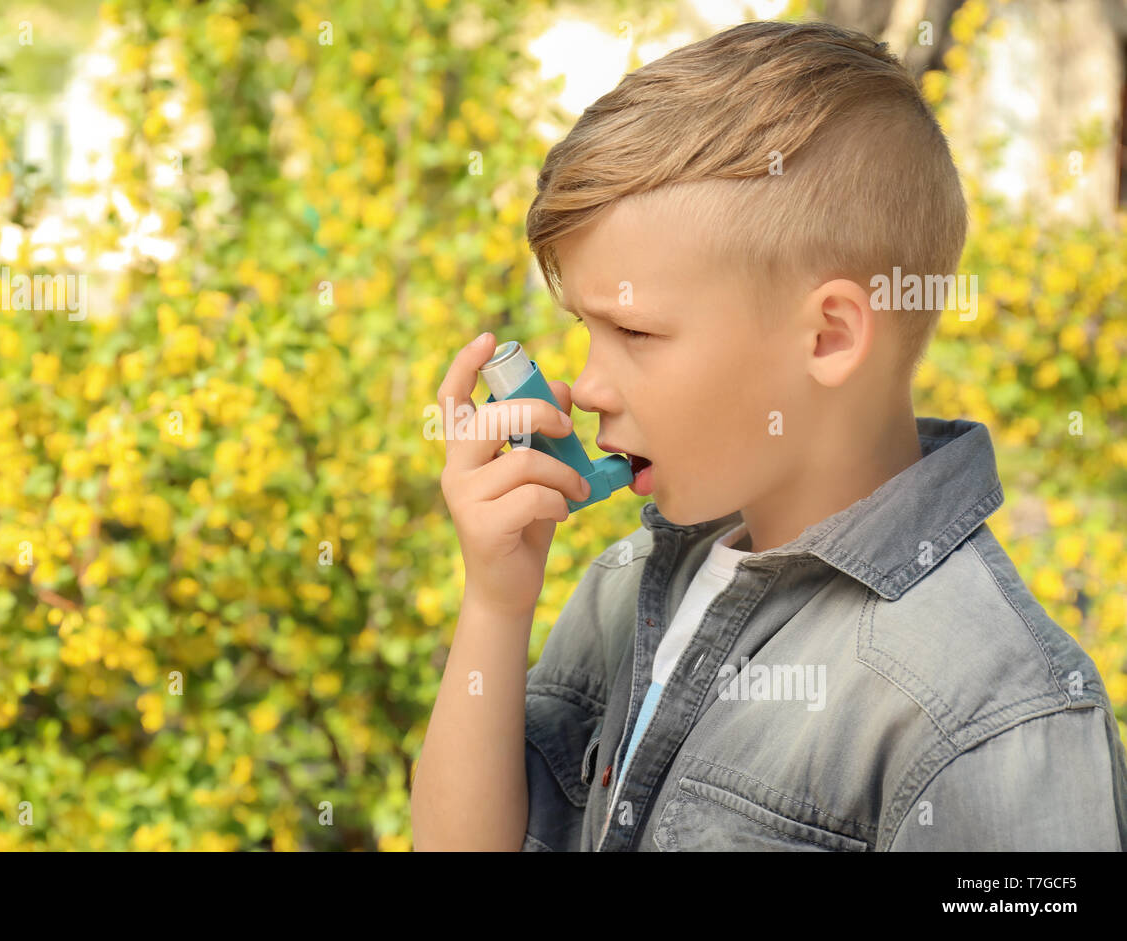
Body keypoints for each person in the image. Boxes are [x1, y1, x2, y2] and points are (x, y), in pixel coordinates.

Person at [410, 20, 1127, 851]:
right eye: (584, 329)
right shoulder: (625, 587)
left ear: (827, 337)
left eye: (635, 334)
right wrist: (496, 602)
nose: (590, 385)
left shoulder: (989, 713)